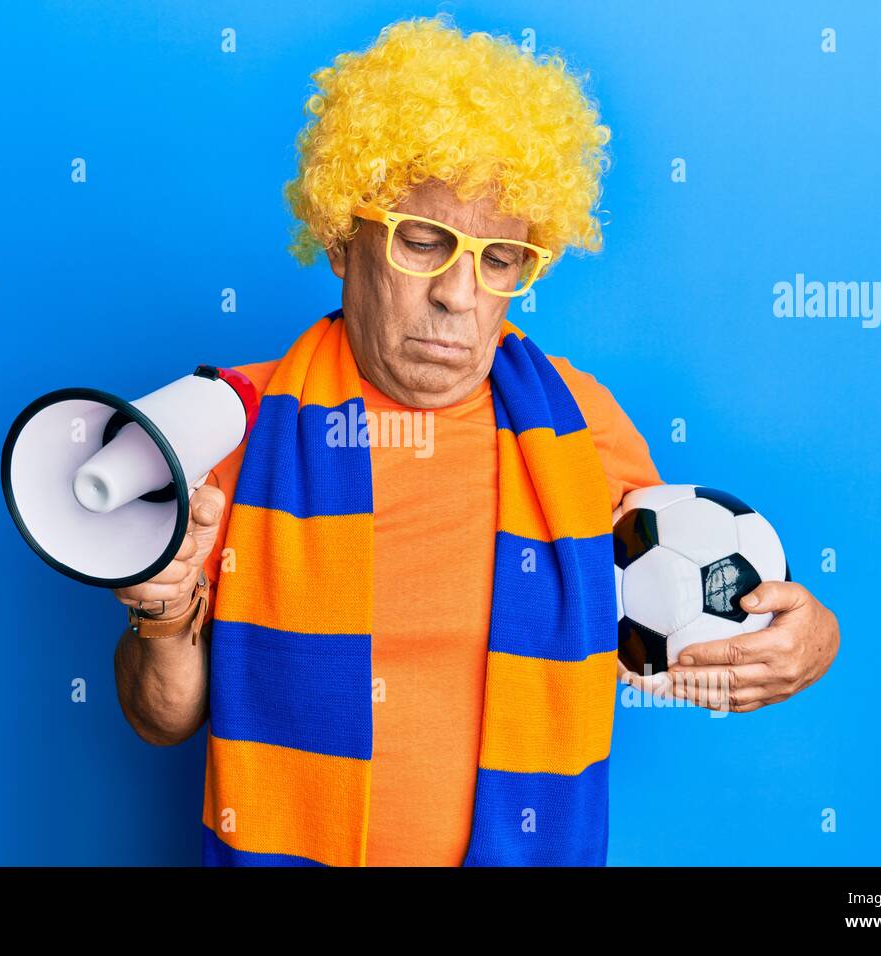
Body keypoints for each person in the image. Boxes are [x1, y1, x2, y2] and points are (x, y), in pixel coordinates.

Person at [111, 16, 839, 867]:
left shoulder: (577, 423)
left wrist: (809, 641)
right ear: (343, 242)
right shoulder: (231, 422)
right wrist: (161, 612)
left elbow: (675, 626)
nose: (459, 294)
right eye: (423, 242)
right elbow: (161, 720)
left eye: (499, 259)